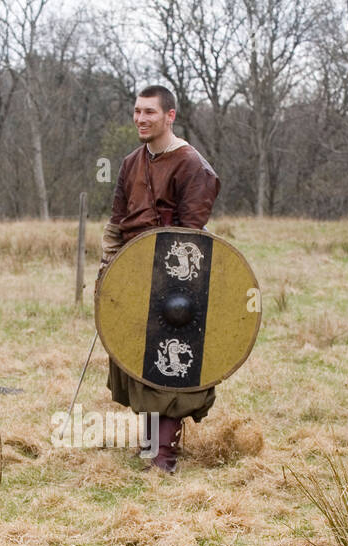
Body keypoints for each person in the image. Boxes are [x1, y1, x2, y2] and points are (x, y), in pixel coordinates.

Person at [98, 85, 220, 474]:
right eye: (136, 111)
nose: (140, 118)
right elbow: (117, 220)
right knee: (135, 357)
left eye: (149, 112)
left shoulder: (192, 166)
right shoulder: (131, 162)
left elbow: (191, 235)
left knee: (169, 359)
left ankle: (164, 452)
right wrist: (108, 266)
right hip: (132, 272)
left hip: (176, 280)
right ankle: (151, 442)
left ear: (170, 116)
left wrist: (169, 279)